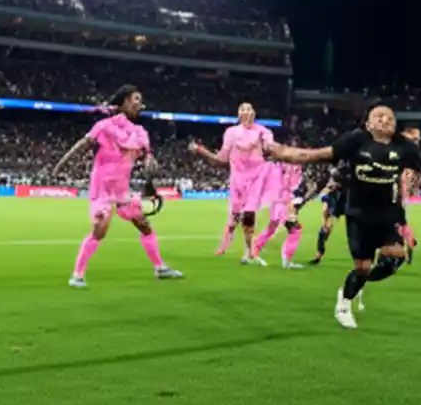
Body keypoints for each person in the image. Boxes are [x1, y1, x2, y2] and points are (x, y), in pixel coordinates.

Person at [264, 105, 421, 329]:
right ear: (368, 123)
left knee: (394, 258)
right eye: (379, 116)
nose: (385, 119)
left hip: (388, 214)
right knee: (363, 267)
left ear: (395, 124)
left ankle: (358, 284)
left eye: (389, 117)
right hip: (358, 215)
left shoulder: (404, 147)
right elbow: (318, 154)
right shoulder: (356, 140)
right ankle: (344, 301)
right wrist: (284, 153)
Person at [52, 85, 183, 286]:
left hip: (122, 191)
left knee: (144, 225)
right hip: (102, 188)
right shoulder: (105, 126)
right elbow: (83, 143)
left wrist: (151, 170)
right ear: (123, 102)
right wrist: (61, 164)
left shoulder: (140, 132)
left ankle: (160, 268)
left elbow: (148, 159)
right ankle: (77, 274)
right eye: (136, 99)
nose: (140, 104)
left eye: (141, 100)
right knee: (100, 229)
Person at [188, 102, 273, 264]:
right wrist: (201, 150)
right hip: (237, 180)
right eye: (243, 109)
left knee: (249, 214)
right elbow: (221, 159)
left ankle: (248, 251)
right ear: (238, 114)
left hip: (257, 178)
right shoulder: (231, 132)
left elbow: (270, 146)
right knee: (234, 217)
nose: (246, 112)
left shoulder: (263, 131)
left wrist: (270, 148)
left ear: (254, 113)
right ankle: (225, 244)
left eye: (249, 109)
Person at [251, 144, 307, 269]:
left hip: (276, 202)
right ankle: (286, 260)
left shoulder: (275, 166)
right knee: (295, 229)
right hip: (283, 203)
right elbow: (291, 186)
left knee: (272, 227)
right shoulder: (293, 167)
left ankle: (254, 251)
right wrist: (291, 205)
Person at [307, 163, 348, 265]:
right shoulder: (332, 172)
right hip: (334, 199)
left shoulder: (347, 170)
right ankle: (319, 254)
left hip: (346, 200)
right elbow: (325, 208)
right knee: (324, 229)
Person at [398, 126, 421, 264]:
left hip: (399, 192)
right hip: (401, 192)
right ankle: (409, 241)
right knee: (401, 221)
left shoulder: (408, 154)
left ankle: (408, 243)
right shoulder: (410, 153)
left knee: (398, 221)